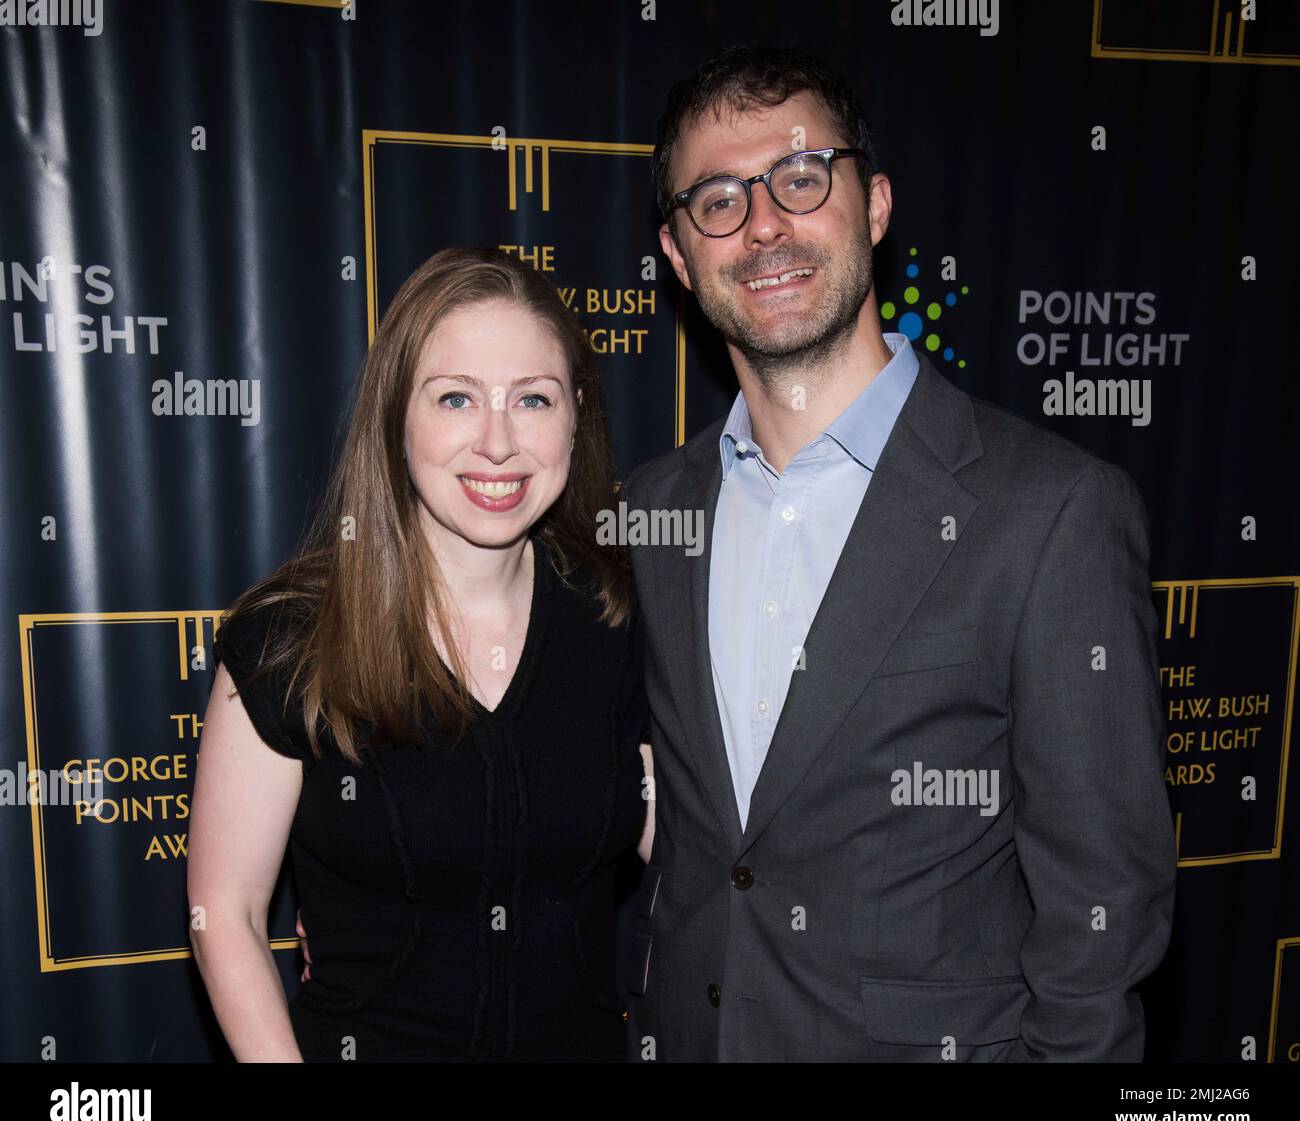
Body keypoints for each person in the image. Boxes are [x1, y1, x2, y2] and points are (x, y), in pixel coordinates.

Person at [619, 45, 1177, 1062]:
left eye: (799, 178)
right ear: (676, 255)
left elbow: (1103, 910)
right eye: (718, 202)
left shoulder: (1050, 514)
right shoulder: (651, 516)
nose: (764, 228)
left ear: (872, 205)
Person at [187, 246, 653, 1062]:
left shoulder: (618, 622)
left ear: (576, 419)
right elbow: (223, 915)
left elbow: (697, 856)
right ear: (397, 414)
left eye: (533, 399)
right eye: (456, 398)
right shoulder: (290, 638)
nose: (499, 442)